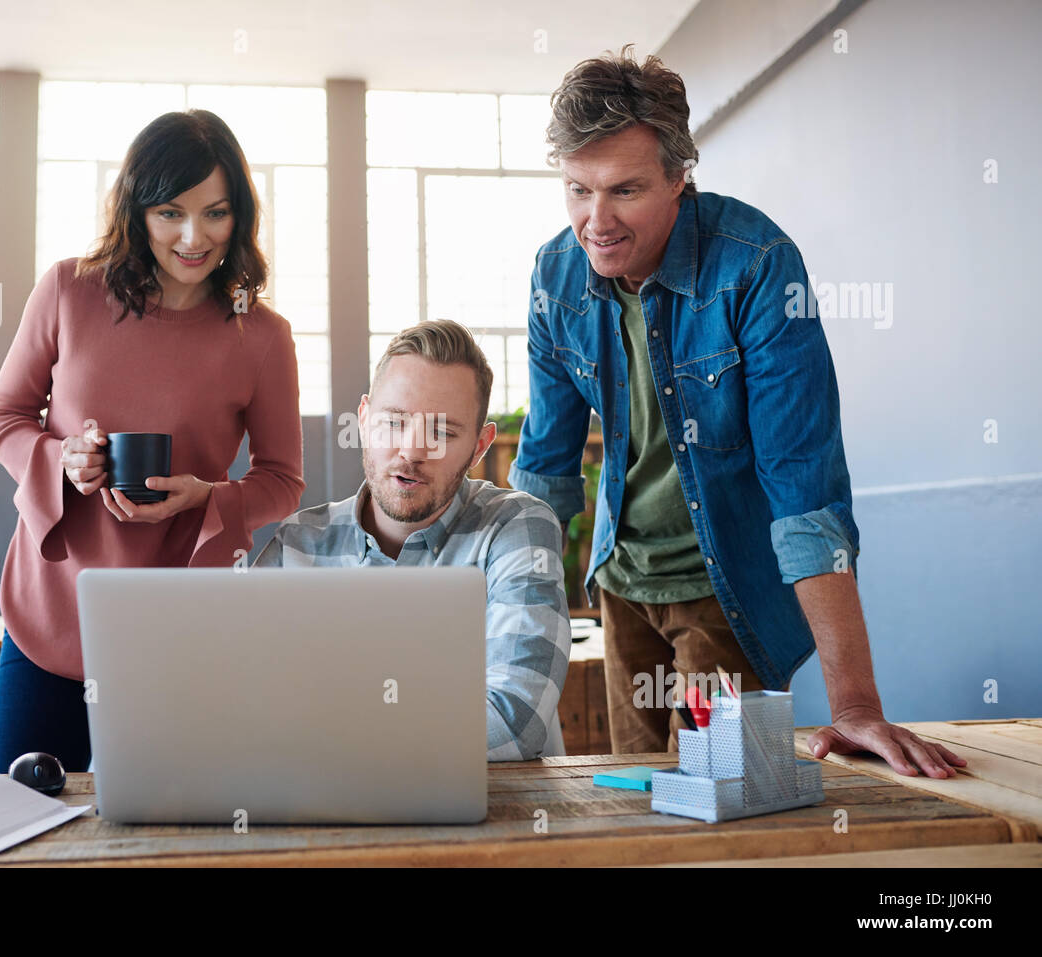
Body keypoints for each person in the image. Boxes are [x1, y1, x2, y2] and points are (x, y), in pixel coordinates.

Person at [509, 46, 965, 778]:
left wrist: (853, 705)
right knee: (640, 812)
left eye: (624, 190)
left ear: (679, 176)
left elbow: (804, 492)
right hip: (623, 584)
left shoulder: (756, 266)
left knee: (713, 807)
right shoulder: (555, 273)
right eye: (576, 190)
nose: (595, 222)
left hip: (722, 592)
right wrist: (497, 636)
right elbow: (545, 470)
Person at [0, 110, 305, 774]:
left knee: (166, 827)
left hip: (179, 621)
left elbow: (282, 479)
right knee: (19, 816)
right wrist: (59, 459)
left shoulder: (262, 335)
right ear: (137, 212)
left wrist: (206, 497)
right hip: (53, 609)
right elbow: (2, 417)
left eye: (216, 213)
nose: (194, 237)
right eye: (170, 213)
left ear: (239, 215)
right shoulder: (69, 289)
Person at [253, 320, 570, 761]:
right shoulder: (298, 543)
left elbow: (514, 722)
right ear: (363, 421)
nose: (411, 451)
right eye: (393, 422)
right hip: (328, 807)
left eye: (441, 432)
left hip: (494, 812)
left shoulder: (517, 528)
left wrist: (322, 735)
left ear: (479, 446)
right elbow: (242, 698)